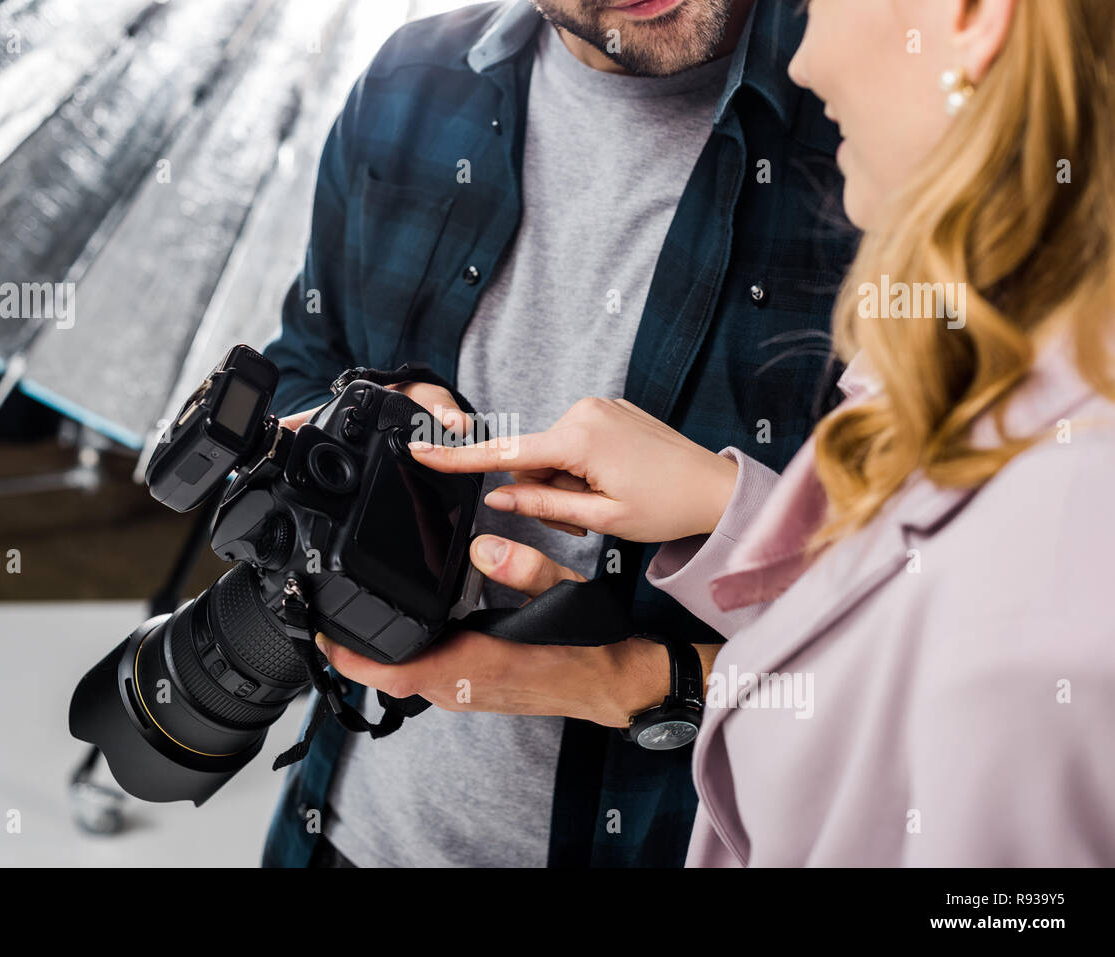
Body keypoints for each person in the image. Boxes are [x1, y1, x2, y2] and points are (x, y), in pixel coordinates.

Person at [387, 0, 1115, 864]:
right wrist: (719, 505)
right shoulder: (407, 83)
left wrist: (637, 683)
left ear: (972, 16)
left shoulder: (1062, 577)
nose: (802, 57)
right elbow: (877, 639)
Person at [262, 0, 857, 867]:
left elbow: (933, 637)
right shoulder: (408, 82)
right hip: (345, 826)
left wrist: (627, 679)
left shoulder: (876, 124)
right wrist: (360, 424)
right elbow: (301, 365)